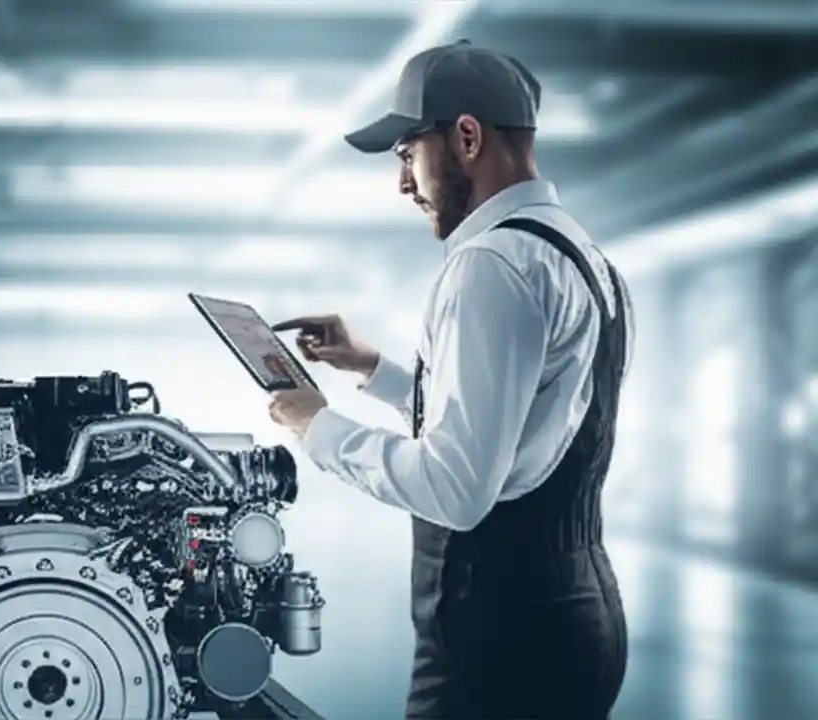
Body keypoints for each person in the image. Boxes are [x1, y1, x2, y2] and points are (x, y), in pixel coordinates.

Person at [266, 40, 634, 719]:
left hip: (499, 637)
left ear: (466, 137)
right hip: (578, 611)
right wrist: (371, 369)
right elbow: (513, 426)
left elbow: (458, 488)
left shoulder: (491, 265)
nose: (404, 184)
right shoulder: (585, 258)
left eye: (408, 154)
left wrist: (315, 426)